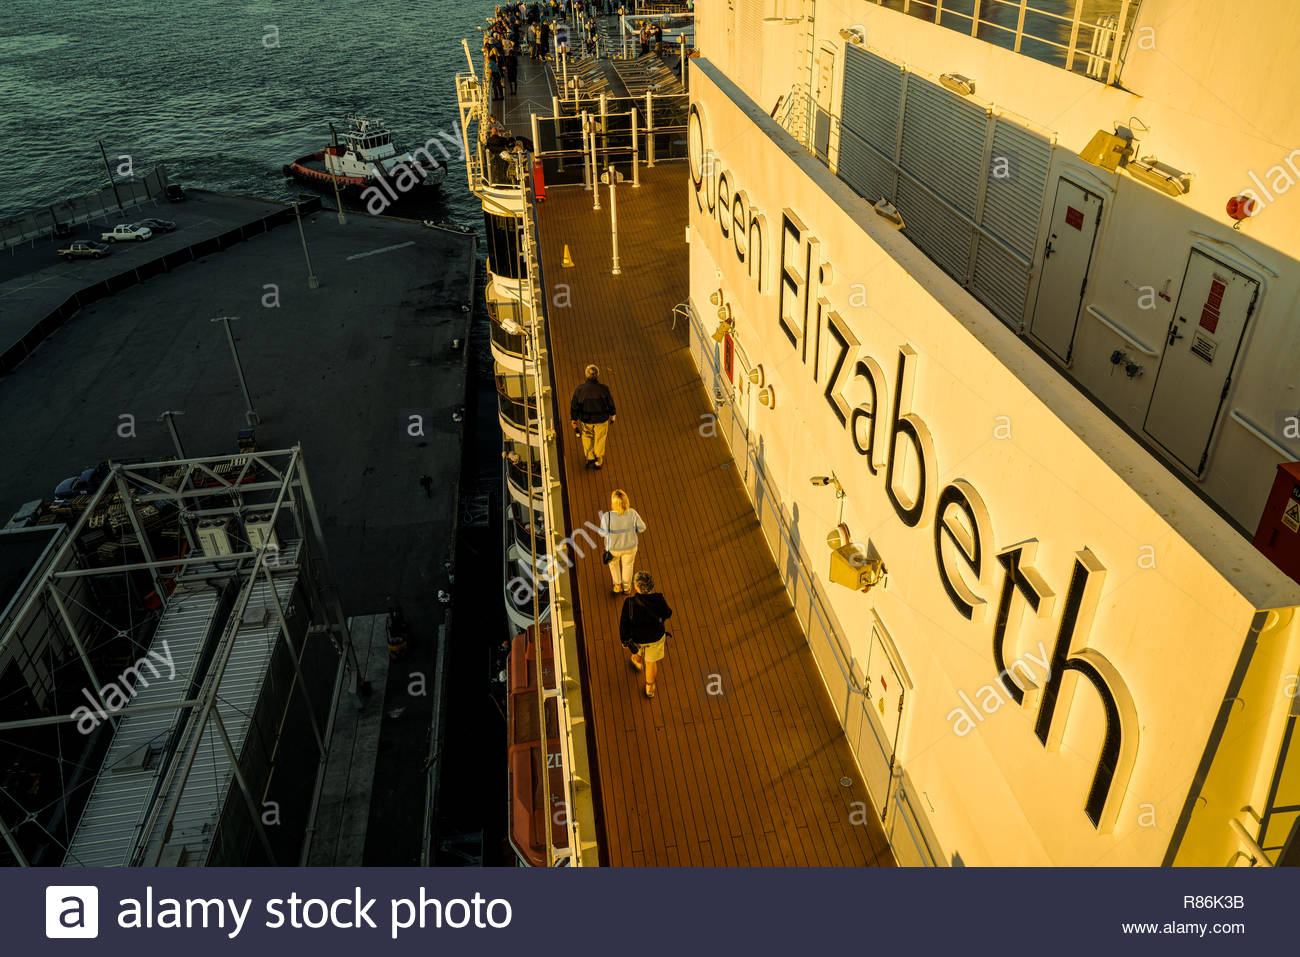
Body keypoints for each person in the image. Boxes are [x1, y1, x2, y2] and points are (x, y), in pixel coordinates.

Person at [620, 571, 672, 699]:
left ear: (637, 587)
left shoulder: (630, 603)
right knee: (651, 662)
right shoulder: (659, 599)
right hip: (655, 637)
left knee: (636, 649)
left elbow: (624, 623)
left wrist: (624, 640)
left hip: (637, 637)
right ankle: (650, 687)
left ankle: (637, 661)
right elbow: (668, 613)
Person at [600, 490, 646, 596]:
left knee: (613, 564)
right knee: (628, 566)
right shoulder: (632, 513)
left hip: (614, 548)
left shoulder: (607, 516)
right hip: (630, 546)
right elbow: (642, 527)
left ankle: (617, 585)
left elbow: (602, 533)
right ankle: (627, 588)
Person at [569, 363, 616, 468]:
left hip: (586, 420)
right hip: (601, 419)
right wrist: (612, 416)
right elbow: (610, 403)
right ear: (597, 375)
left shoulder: (579, 390)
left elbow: (574, 406)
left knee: (587, 437)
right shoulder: (604, 389)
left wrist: (574, 419)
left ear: (586, 375)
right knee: (600, 439)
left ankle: (589, 456)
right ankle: (598, 460)